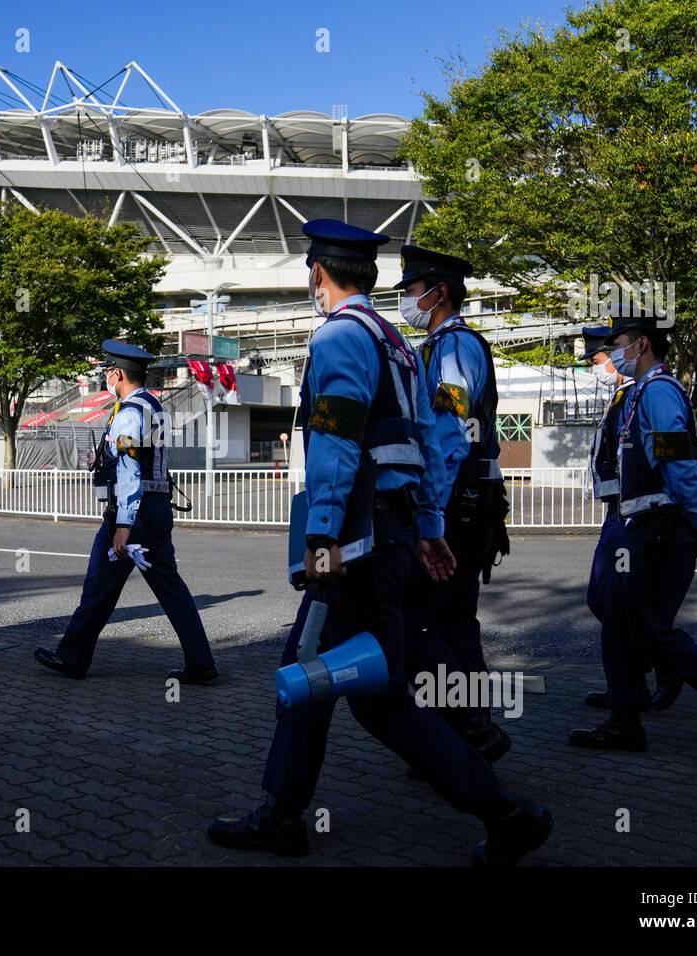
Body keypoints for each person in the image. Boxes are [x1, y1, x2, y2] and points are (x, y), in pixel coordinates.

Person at [208, 221, 551, 864]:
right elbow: (424, 443)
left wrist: (319, 537)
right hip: (387, 534)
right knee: (352, 687)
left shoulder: (341, 336)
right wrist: (426, 528)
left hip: (354, 541)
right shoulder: (395, 344)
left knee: (337, 681)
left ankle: (501, 812)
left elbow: (337, 444)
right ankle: (500, 813)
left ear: (318, 274)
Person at [569, 315, 697, 756]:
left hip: (659, 531)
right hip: (645, 527)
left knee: (647, 632)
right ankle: (626, 717)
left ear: (642, 344)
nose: (613, 351)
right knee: (626, 624)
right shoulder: (646, 391)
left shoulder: (660, 392)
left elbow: (678, 465)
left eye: (619, 343)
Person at [34, 340, 218, 683]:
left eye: (107, 372)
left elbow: (130, 469)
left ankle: (72, 657)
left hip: (133, 515)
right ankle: (201, 661)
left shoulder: (130, 412)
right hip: (157, 508)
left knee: (98, 587)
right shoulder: (153, 407)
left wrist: (123, 524)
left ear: (118, 374)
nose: (106, 377)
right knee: (169, 590)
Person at [395, 244, 511, 762]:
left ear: (439, 293)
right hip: (463, 504)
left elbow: (450, 436)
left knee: (434, 618)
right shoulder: (438, 348)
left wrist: (431, 515)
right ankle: (466, 731)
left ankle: (470, 730)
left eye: (413, 291)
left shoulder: (455, 348)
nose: (408, 301)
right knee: (449, 619)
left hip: (458, 508)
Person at [580, 324, 682, 712]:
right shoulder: (626, 395)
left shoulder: (648, 393)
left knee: (615, 600)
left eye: (600, 358)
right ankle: (630, 680)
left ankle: (657, 667)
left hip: (634, 513)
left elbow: (673, 454)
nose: (598, 367)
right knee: (605, 599)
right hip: (620, 510)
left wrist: (696, 516)